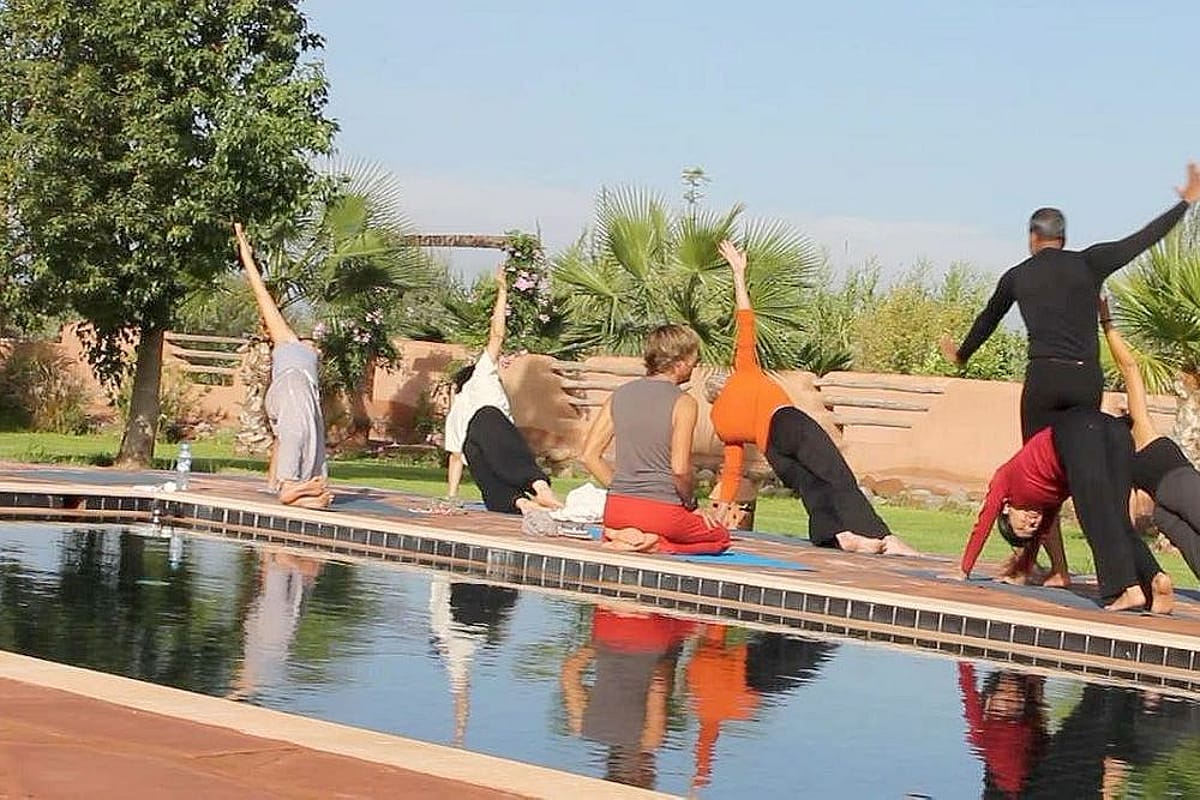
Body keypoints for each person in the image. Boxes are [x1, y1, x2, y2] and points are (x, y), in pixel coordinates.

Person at [941, 163, 1200, 442]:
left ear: (1033, 237)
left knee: (1036, 463)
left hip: (1044, 377)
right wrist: (1185, 202)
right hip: (1084, 378)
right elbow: (1142, 239)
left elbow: (987, 320)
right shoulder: (1090, 263)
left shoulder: (1016, 276)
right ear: (1063, 238)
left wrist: (962, 354)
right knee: (1081, 457)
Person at [711, 241, 917, 555]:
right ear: (724, 382)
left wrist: (721, 512)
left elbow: (731, 469)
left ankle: (838, 537)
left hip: (773, 452)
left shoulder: (721, 423)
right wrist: (739, 274)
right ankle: (884, 537)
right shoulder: (744, 372)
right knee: (836, 474)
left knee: (812, 486)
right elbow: (746, 322)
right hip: (786, 423)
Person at [960, 408, 1173, 613]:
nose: (1031, 523)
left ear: (1006, 509)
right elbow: (1039, 536)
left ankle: (1126, 588)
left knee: (1096, 519)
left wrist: (964, 569)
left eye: (1022, 524)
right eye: (1031, 527)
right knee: (1118, 519)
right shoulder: (1048, 506)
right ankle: (1155, 577)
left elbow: (983, 522)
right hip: (1114, 432)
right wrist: (1023, 569)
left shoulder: (1005, 479)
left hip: (1077, 431)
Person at [580, 324, 731, 554]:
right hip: (662, 512)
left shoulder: (618, 395)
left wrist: (624, 490)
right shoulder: (684, 403)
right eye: (694, 361)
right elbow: (679, 469)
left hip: (617, 510)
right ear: (679, 364)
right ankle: (656, 542)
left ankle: (621, 535)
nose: (695, 367)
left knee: (639, 523)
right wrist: (691, 506)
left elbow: (589, 456)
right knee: (720, 537)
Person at [443, 266, 562, 516]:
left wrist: (451, 496)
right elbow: (497, 334)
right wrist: (503, 290)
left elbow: (455, 458)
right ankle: (536, 491)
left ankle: (524, 501)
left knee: (487, 480)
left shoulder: (455, 412)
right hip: (487, 426)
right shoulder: (482, 374)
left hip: (478, 445)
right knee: (484, 432)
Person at [1101, 297, 1200, 579]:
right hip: (1166, 508)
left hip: (1182, 486)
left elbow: (1130, 368)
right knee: (1167, 523)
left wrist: (1107, 323)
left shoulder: (1139, 430)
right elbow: (1128, 512)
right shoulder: (1127, 450)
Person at [234, 223, 331, 509]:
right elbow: (261, 292)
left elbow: (278, 440)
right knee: (297, 435)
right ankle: (290, 486)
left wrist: (269, 483)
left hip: (300, 393)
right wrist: (244, 247)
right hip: (292, 386)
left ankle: (293, 488)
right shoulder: (286, 341)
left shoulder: (298, 356)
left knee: (321, 490)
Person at [559, 606, 694, 790]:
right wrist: (601, 643)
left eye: (650, 776)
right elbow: (570, 671)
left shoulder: (649, 740)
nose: (653, 770)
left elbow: (658, 685)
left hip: (653, 634)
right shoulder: (581, 726)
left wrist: (670, 654)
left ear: (639, 777)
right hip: (608, 625)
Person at [957, 662, 1049, 799]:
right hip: (1022, 778)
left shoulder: (981, 733)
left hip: (1011, 779)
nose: (1008, 702)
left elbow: (968, 689)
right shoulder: (1029, 721)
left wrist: (965, 663)